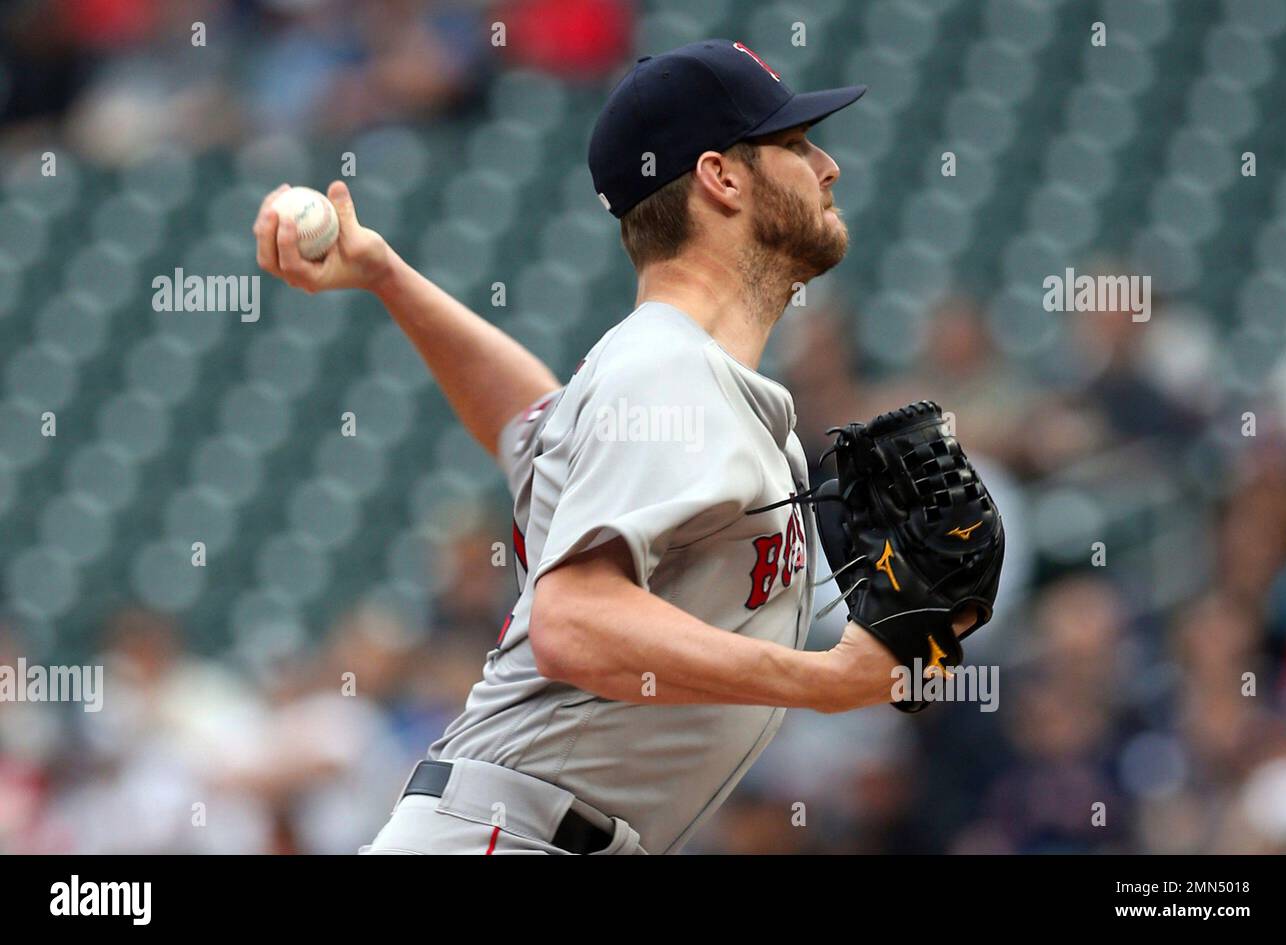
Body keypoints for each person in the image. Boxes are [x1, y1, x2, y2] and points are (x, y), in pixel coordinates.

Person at [253, 39, 976, 855]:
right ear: (722, 177)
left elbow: (525, 416)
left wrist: (388, 276)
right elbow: (573, 621)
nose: (828, 165)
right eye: (797, 144)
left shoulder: (657, 374)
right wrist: (827, 681)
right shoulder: (667, 371)